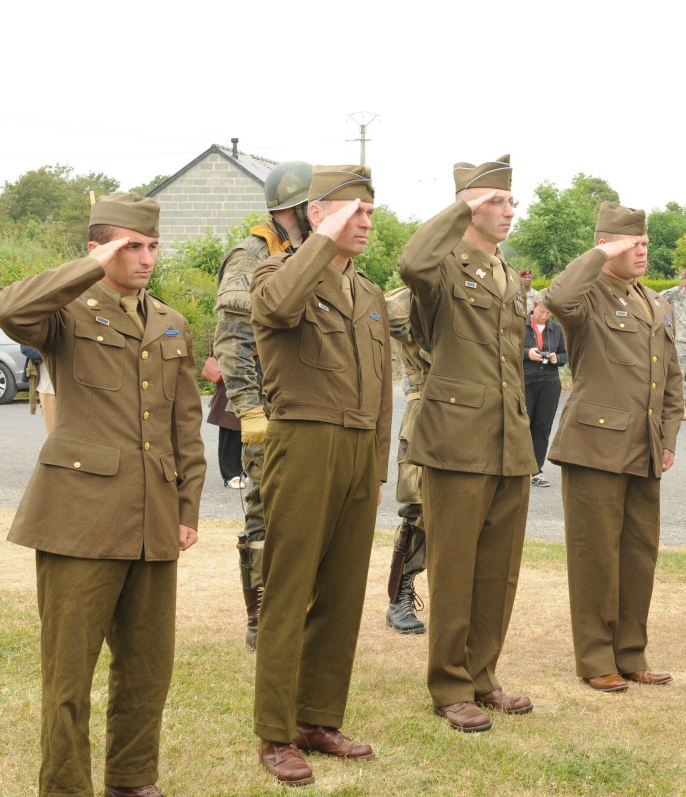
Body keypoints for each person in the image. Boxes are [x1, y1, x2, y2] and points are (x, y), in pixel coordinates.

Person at [0, 192, 206, 797]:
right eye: (130, 246)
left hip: (152, 519)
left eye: (151, 246)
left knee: (147, 671)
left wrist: (187, 509)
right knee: (68, 676)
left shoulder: (170, 322)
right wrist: (91, 264)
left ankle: (133, 781)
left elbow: (183, 425)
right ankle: (65, 787)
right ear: (100, 249)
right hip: (78, 520)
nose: (145, 258)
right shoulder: (65, 314)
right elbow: (10, 310)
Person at [250, 166, 391, 785]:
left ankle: (318, 717)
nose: (364, 222)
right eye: (351, 211)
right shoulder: (274, 276)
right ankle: (276, 732)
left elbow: (385, 388)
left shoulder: (369, 293)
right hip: (304, 444)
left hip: (359, 449)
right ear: (316, 215)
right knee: (289, 589)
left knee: (342, 589)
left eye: (368, 212)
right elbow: (279, 307)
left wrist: (379, 464)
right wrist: (319, 242)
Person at [398, 154, 537, 733]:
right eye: (495, 202)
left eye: (510, 201)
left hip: (509, 436)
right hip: (456, 438)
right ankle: (450, 684)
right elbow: (411, 261)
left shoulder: (505, 270)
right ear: (468, 207)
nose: (508, 211)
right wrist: (460, 207)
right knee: (453, 567)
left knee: (498, 568)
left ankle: (483, 675)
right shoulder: (444, 267)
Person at [540, 201, 683, 692]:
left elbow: (672, 379)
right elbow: (557, 297)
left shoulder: (656, 302)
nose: (641, 252)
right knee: (595, 556)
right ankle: (596, 658)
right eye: (631, 244)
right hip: (594, 445)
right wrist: (599, 255)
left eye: (644, 243)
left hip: (644, 448)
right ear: (606, 245)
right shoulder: (589, 296)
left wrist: (666, 438)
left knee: (638, 555)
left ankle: (631, 653)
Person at [213, 160, 311, 648]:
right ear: (296, 207)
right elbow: (231, 339)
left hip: (307, 405)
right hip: (267, 410)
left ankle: (293, 609)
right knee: (262, 512)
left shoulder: (307, 252)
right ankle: (259, 619)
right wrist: (249, 409)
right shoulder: (252, 254)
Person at [384, 285, 431, 633]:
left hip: (476, 413)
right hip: (427, 409)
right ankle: (400, 595)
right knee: (417, 510)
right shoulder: (407, 299)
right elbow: (394, 314)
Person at [523, 298, 567, 487]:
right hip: (526, 380)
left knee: (542, 426)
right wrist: (526, 353)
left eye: (548, 313)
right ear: (534, 308)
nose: (545, 316)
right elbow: (506, 349)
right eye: (542, 312)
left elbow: (565, 354)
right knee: (523, 425)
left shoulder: (556, 329)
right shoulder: (519, 325)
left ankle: (536, 470)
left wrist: (558, 358)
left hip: (549, 383)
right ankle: (519, 466)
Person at [660, 266, 686, 419]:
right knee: (679, 374)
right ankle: (681, 407)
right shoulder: (676, 294)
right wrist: (678, 287)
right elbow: (659, 298)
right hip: (680, 341)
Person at [205, 377, 243, 487]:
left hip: (258, 374)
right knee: (231, 424)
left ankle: (251, 469)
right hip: (233, 374)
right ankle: (232, 473)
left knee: (258, 425)